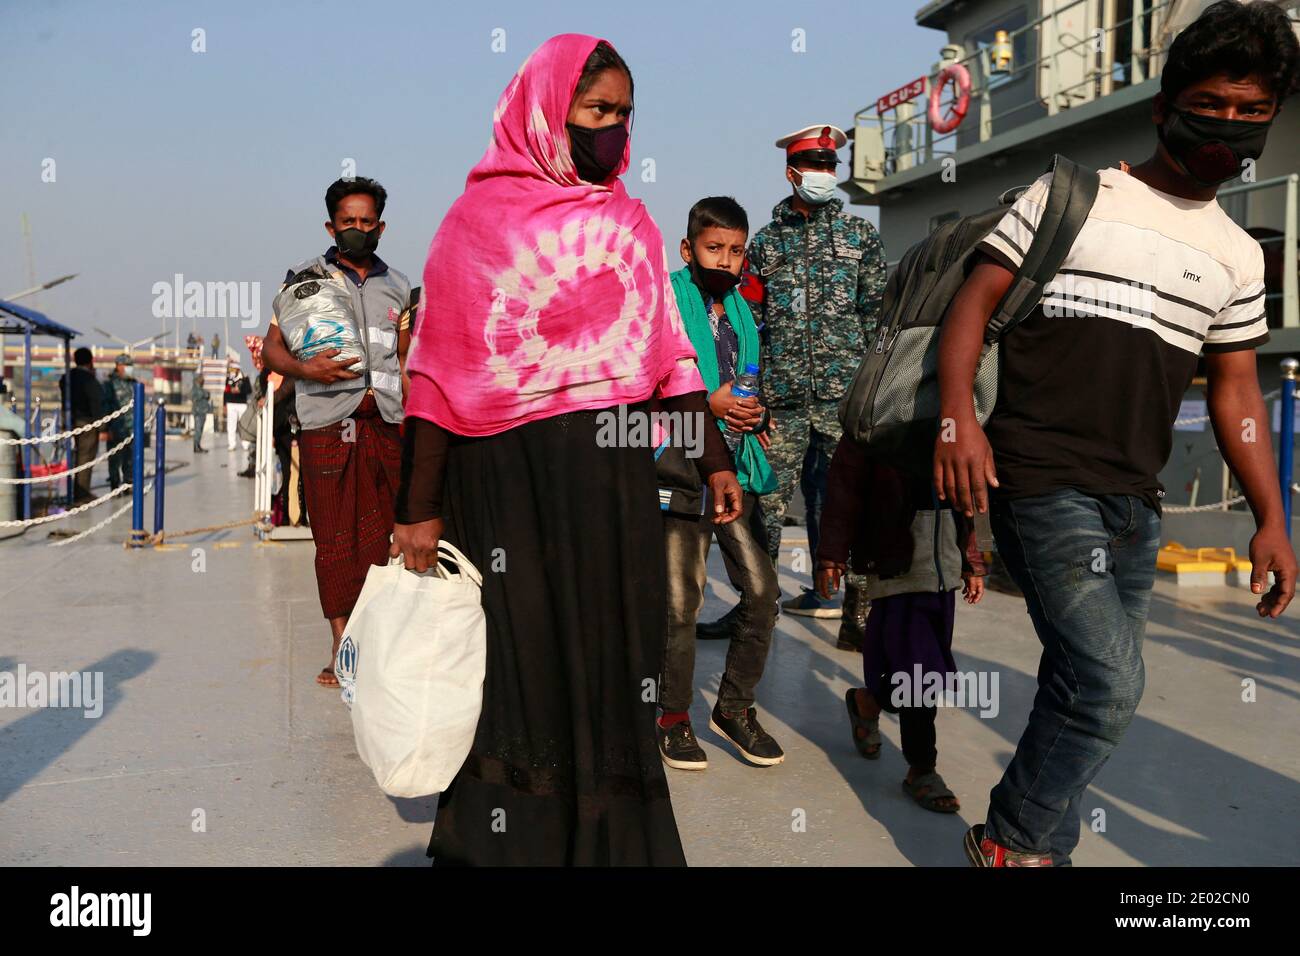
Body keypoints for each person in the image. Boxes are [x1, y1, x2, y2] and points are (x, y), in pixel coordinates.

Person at [934, 0, 1299, 867]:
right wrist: (958, 424)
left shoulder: (1237, 255)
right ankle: (1009, 843)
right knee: (1109, 685)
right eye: (1213, 104)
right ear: (1164, 105)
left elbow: (1237, 389)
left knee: (1076, 684)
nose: (1231, 127)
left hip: (1137, 506)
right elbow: (971, 306)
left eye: (1254, 113)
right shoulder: (1072, 197)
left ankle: (1041, 851)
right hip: (1038, 479)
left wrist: (1271, 516)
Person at [392, 34, 743, 866]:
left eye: (624, 114)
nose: (614, 131)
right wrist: (418, 510)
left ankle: (609, 840)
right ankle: (506, 839)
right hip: (502, 479)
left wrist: (714, 456)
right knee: (517, 661)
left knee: (609, 650)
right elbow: (436, 379)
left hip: (607, 475)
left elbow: (670, 360)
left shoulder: (627, 220)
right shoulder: (472, 226)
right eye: (597, 112)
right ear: (548, 114)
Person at [259, 175, 412, 687]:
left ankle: (378, 639)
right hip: (327, 423)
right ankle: (341, 644)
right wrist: (307, 371)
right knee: (333, 538)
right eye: (348, 222)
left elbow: (409, 358)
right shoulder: (305, 281)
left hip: (387, 423)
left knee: (384, 535)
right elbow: (275, 348)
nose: (358, 230)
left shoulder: (399, 285)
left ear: (381, 227)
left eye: (367, 223)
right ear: (331, 225)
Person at [744, 123, 886, 640]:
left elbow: (876, 318)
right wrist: (749, 395)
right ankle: (757, 612)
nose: (825, 174)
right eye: (816, 165)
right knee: (769, 502)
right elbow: (748, 321)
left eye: (831, 166)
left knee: (848, 500)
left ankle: (856, 613)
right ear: (793, 172)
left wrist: (872, 392)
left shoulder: (860, 237)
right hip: (779, 400)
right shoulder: (763, 244)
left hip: (844, 398)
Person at [658, 197, 783, 771]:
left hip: (736, 471)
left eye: (736, 251)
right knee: (682, 603)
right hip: (679, 471)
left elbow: (747, 382)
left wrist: (756, 412)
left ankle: (733, 707)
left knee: (761, 593)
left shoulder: (741, 312)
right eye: (714, 248)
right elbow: (641, 385)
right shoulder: (663, 302)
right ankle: (673, 717)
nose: (726, 260)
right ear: (688, 249)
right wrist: (706, 403)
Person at [816, 437, 985, 813]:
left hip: (945, 565)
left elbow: (976, 490)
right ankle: (922, 769)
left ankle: (869, 701)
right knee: (920, 673)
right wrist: (831, 553)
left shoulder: (961, 414)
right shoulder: (878, 413)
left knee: (919, 670)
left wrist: (974, 559)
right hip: (895, 559)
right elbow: (844, 487)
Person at [58, 347, 102, 502]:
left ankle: (74, 490)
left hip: (70, 421)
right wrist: (102, 427)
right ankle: (82, 493)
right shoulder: (90, 379)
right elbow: (96, 403)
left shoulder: (67, 377)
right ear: (91, 361)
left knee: (74, 456)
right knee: (85, 457)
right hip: (87, 422)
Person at [101, 353, 136, 489]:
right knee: (114, 460)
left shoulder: (133, 383)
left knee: (130, 460)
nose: (130, 368)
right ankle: (114, 486)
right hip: (116, 428)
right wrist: (105, 429)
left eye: (130, 365)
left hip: (131, 428)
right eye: (127, 365)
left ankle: (128, 484)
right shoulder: (109, 384)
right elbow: (105, 407)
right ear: (119, 366)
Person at [224, 363, 251, 451]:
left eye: (233, 369)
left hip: (242, 404)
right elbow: (225, 392)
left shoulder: (244, 378)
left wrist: (240, 390)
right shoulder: (229, 379)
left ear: (238, 369)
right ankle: (232, 444)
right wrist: (224, 404)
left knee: (243, 425)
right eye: (231, 369)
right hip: (231, 404)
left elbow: (249, 390)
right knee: (231, 425)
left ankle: (245, 444)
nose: (231, 371)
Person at [190, 374, 213, 453]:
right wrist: (204, 394)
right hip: (198, 412)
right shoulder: (195, 389)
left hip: (203, 411)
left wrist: (205, 394)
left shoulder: (201, 389)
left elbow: (207, 395)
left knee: (200, 429)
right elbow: (195, 397)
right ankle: (196, 446)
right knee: (198, 430)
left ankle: (198, 445)